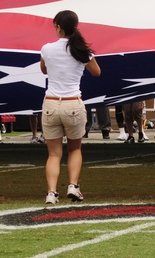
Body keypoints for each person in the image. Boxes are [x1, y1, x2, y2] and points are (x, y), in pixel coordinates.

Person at [39, 10, 101, 204]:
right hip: (73, 102)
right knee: (74, 149)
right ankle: (73, 185)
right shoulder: (82, 50)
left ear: (58, 27)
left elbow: (44, 70)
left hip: (51, 102)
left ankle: (51, 192)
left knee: (54, 153)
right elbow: (97, 72)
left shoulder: (47, 48)